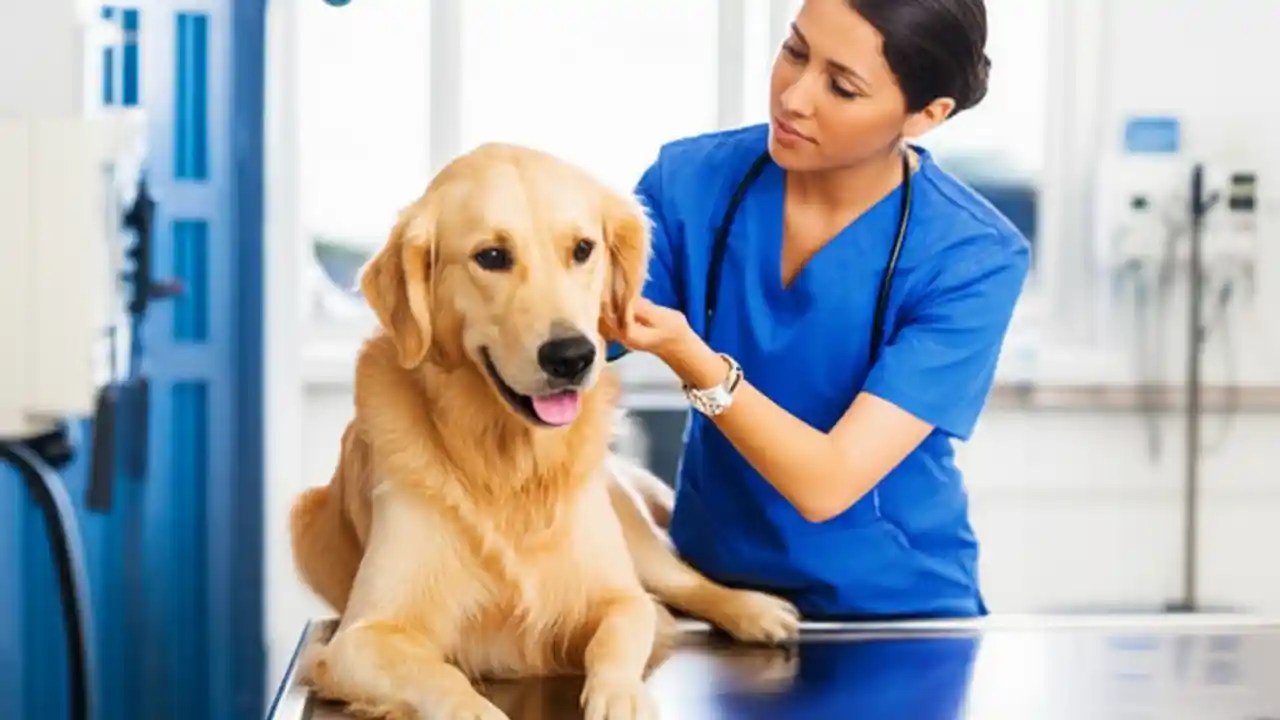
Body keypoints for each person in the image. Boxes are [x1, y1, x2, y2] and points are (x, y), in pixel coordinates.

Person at [609, 0, 1030, 620]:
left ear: (925, 114)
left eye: (841, 86)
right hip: (717, 598)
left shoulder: (971, 255)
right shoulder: (688, 182)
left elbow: (825, 484)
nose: (794, 97)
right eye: (795, 51)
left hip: (893, 614)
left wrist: (691, 358)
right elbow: (584, 329)